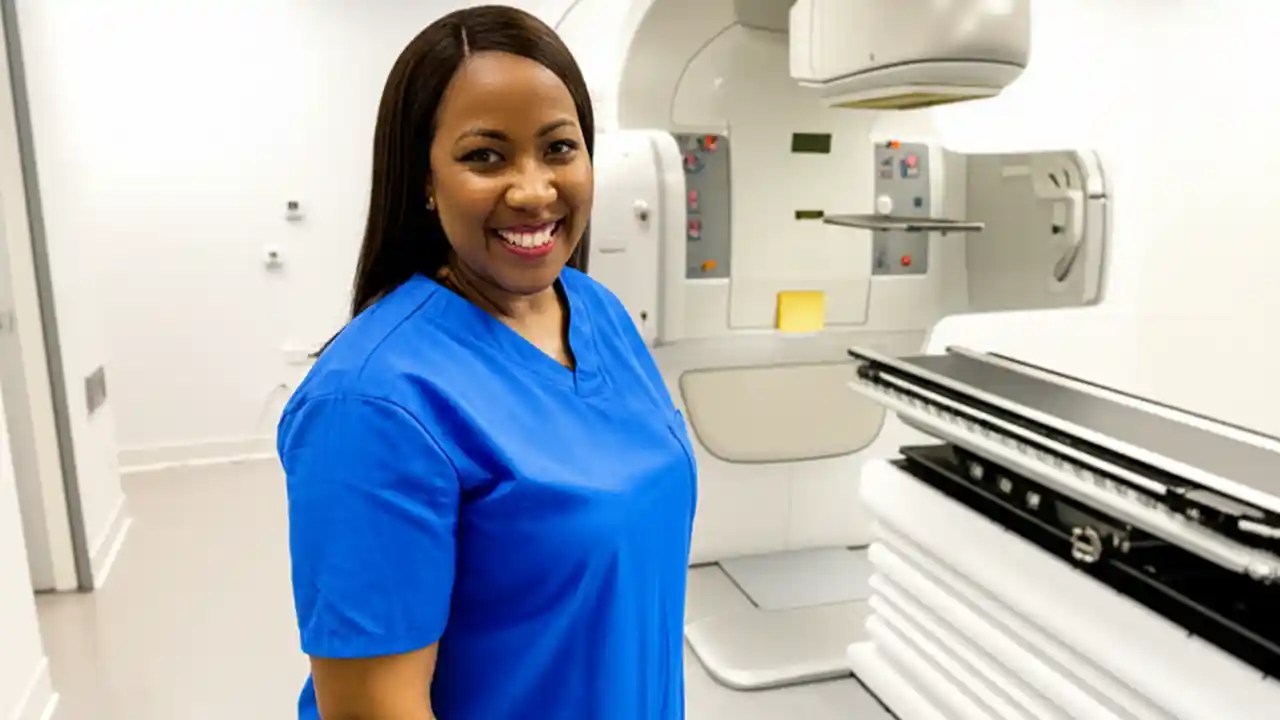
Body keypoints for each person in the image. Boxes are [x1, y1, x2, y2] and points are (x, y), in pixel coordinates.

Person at [276, 5, 698, 719]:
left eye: (559, 148)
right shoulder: (373, 404)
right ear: (424, 179)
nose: (534, 190)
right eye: (485, 156)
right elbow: (373, 710)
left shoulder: (595, 310)